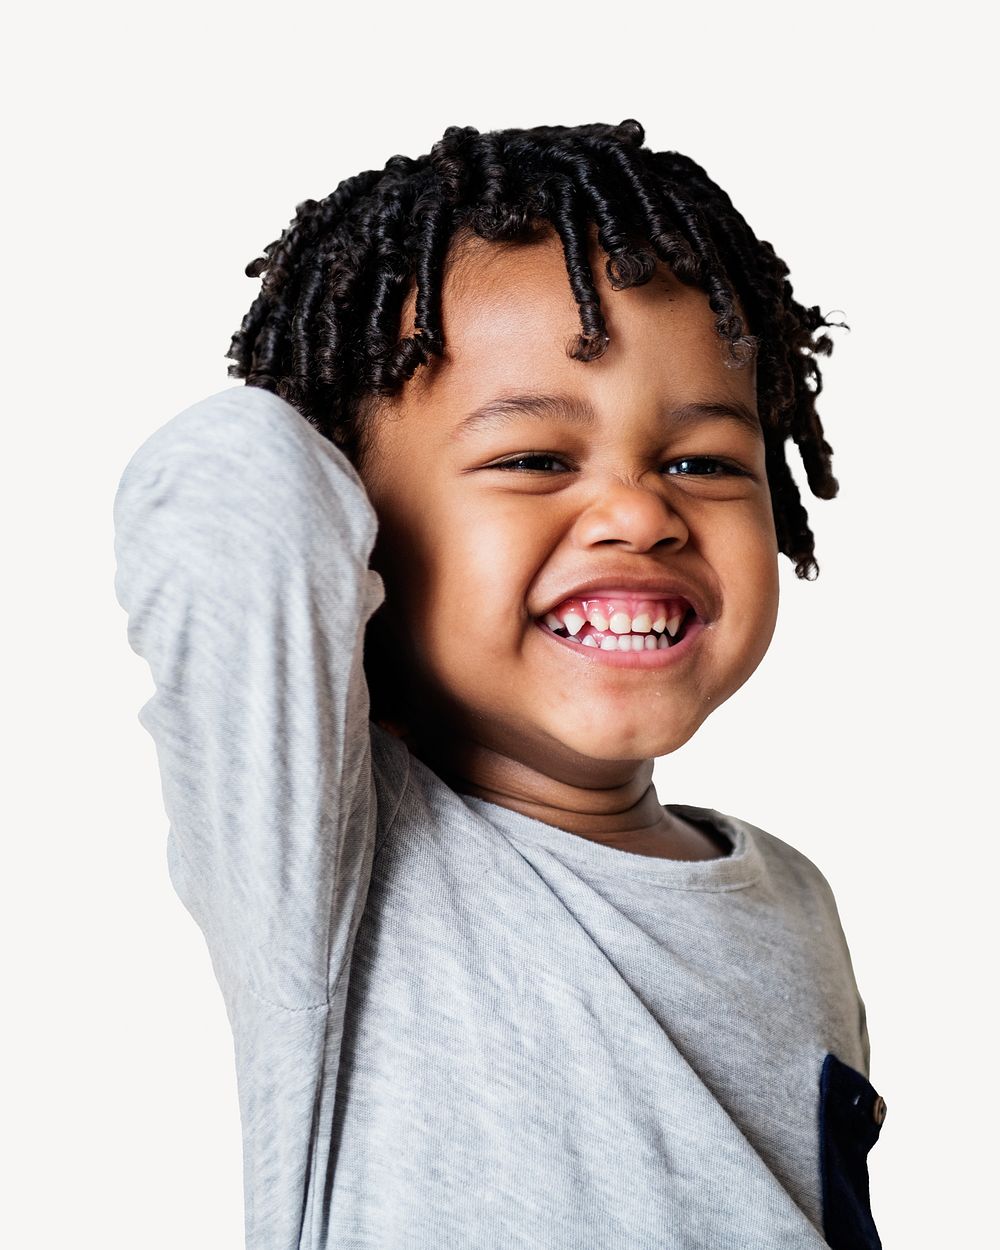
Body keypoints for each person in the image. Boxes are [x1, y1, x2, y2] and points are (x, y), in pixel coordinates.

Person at [112, 119, 886, 1250]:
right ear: (361, 534)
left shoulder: (797, 899)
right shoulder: (329, 866)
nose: (637, 511)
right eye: (535, 459)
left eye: (703, 461)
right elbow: (235, 481)